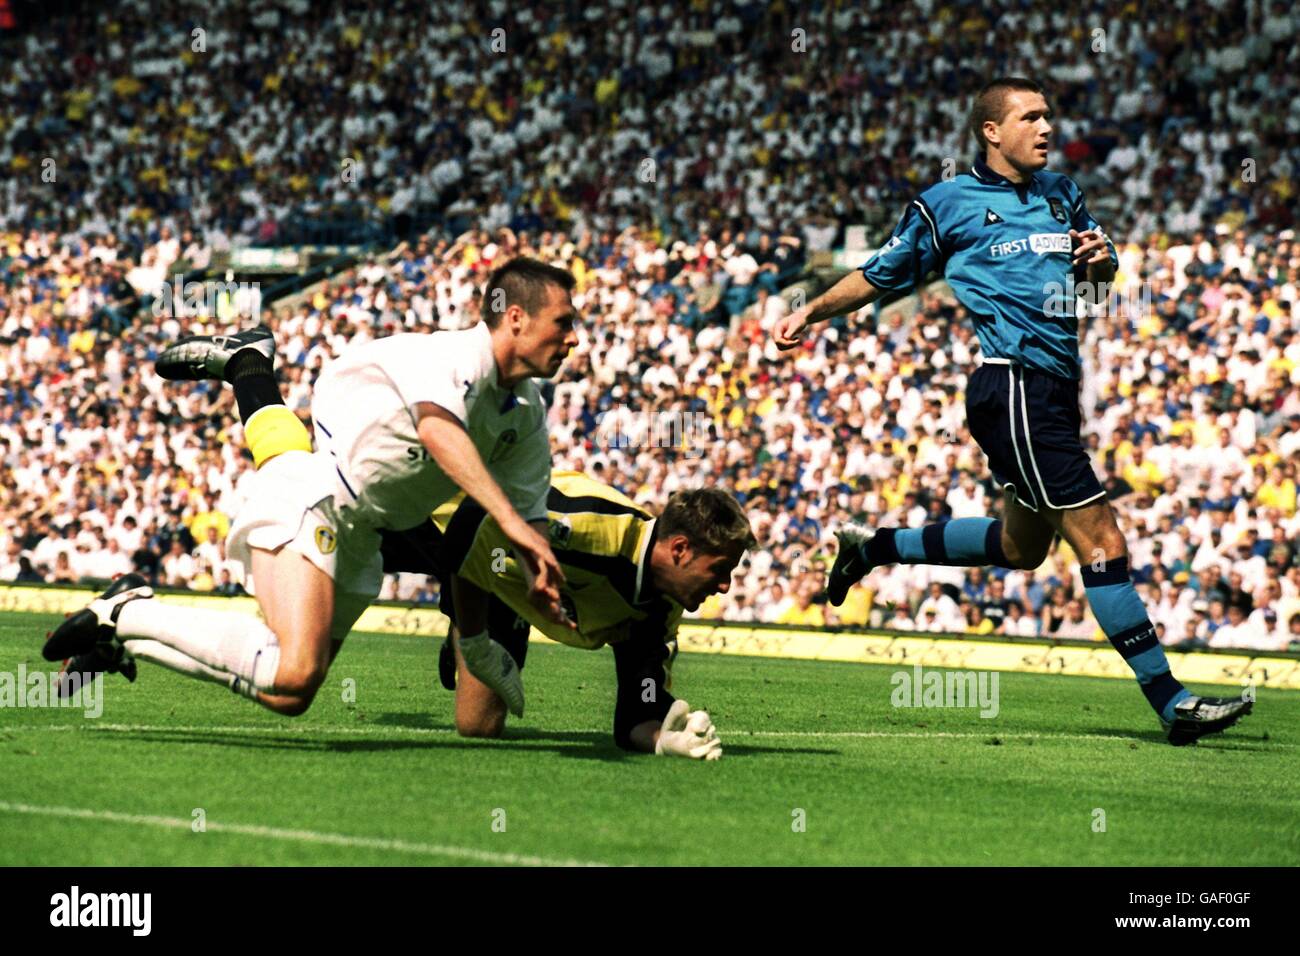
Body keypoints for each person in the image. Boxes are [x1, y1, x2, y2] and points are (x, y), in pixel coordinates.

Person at [772, 77, 1251, 745]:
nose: (1047, 128)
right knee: (1102, 540)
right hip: (1014, 386)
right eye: (1031, 117)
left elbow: (1091, 279)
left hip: (1055, 387)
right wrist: (811, 310)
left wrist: (1104, 265)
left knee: (1021, 549)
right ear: (992, 132)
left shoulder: (1063, 195)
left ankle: (873, 547)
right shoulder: (948, 204)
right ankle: (1172, 703)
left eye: (1049, 115)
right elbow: (883, 273)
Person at [45, 257, 578, 719]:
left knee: (288, 693)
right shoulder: (445, 357)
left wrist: (538, 572)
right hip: (314, 500)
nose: (574, 338)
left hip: (363, 536)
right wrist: (510, 525)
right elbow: (439, 432)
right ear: (515, 318)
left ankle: (125, 634)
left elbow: (528, 508)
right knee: (294, 670)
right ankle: (129, 611)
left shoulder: (526, 413)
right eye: (563, 323)